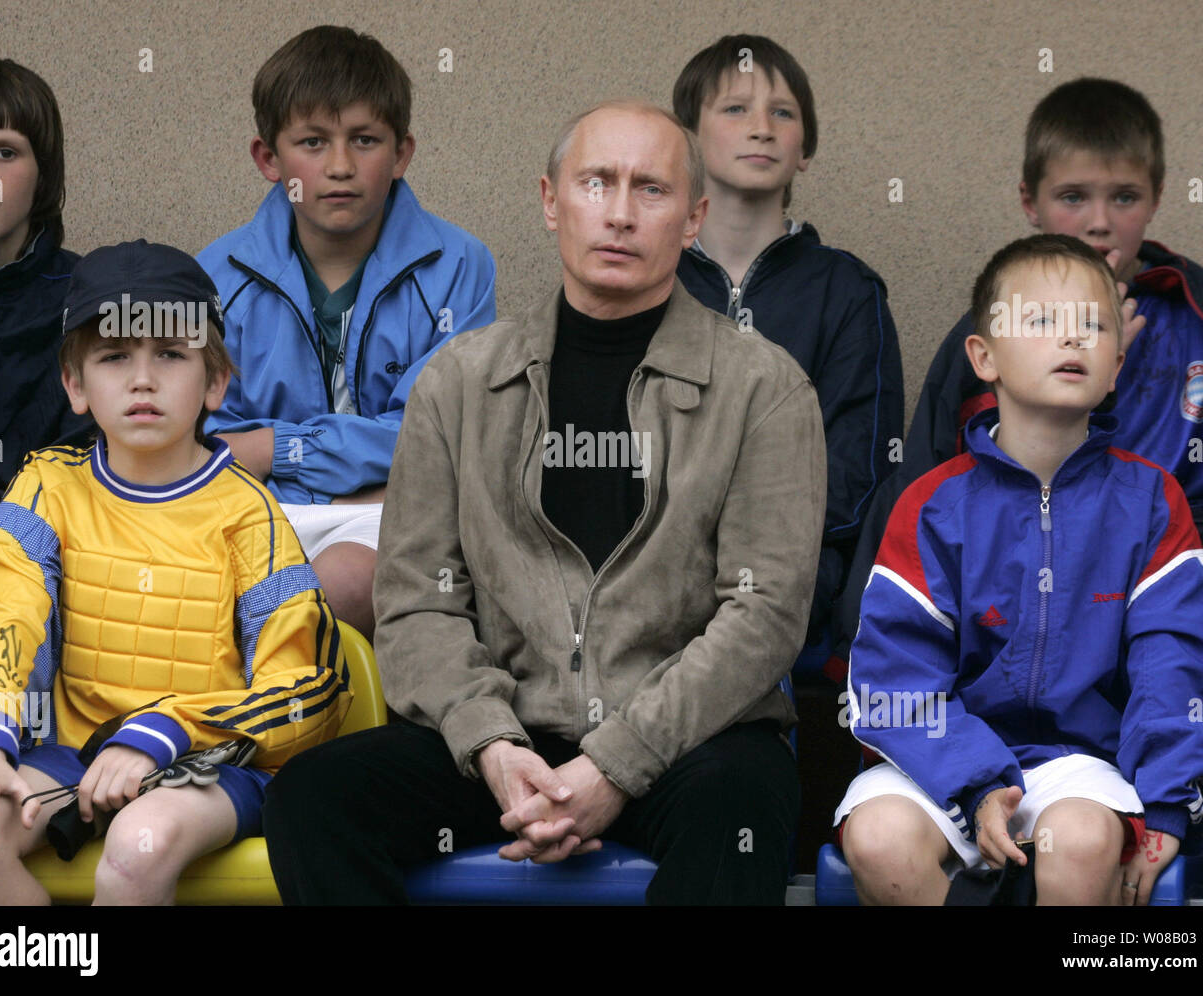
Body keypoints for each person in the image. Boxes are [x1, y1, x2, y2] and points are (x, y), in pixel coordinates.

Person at [262, 99, 824, 905]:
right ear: (551, 201)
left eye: (652, 190)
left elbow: (763, 614)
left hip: (692, 741)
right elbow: (416, 598)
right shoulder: (459, 383)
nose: (621, 213)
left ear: (694, 218)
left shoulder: (763, 389)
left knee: (740, 812)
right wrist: (491, 744)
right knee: (314, 800)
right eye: (597, 183)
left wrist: (616, 763)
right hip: (507, 730)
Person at [836, 234, 1203, 906]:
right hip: (940, 761)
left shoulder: (1151, 501)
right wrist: (977, 783)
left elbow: (1178, 662)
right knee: (879, 838)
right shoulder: (931, 504)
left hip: (1083, 765)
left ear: (1116, 364)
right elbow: (893, 677)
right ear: (983, 357)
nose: (1072, 339)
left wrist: (1168, 804)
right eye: (1042, 321)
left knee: (1079, 840)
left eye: (1094, 324)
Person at [0, 241, 350, 905]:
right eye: (114, 357)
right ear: (75, 385)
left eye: (170, 355)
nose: (142, 379)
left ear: (215, 380)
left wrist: (165, 732)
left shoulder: (251, 514)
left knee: (139, 846)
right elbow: (5, 625)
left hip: (209, 764)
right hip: (68, 754)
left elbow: (306, 690)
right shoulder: (45, 485)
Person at [839, 78, 1203, 672]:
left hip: (1172, 542)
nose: (1100, 222)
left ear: (1157, 197)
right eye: (1074, 197)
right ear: (1031, 202)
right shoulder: (997, 321)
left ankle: (1193, 750)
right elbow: (935, 473)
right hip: (1019, 527)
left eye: (1125, 197)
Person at [198, 25, 497, 636]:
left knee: (333, 590)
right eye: (312, 141)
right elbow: (210, 442)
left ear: (402, 153)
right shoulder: (215, 274)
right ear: (269, 159)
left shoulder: (460, 265)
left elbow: (432, 437)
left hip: (395, 518)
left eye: (364, 140)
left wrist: (275, 449)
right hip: (253, 509)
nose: (339, 166)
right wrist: (338, 485)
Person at [673, 34, 902, 661]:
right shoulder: (650, 279)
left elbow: (861, 467)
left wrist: (773, 561)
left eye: (783, 112)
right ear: (688, 138)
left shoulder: (847, 290)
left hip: (795, 580)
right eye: (735, 109)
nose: (762, 128)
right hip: (655, 571)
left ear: (805, 149)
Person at [0, 55, 92, 694]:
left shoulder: (87, 304)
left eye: (5, 152)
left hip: (29, 584)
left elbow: (91, 472)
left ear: (43, 175)